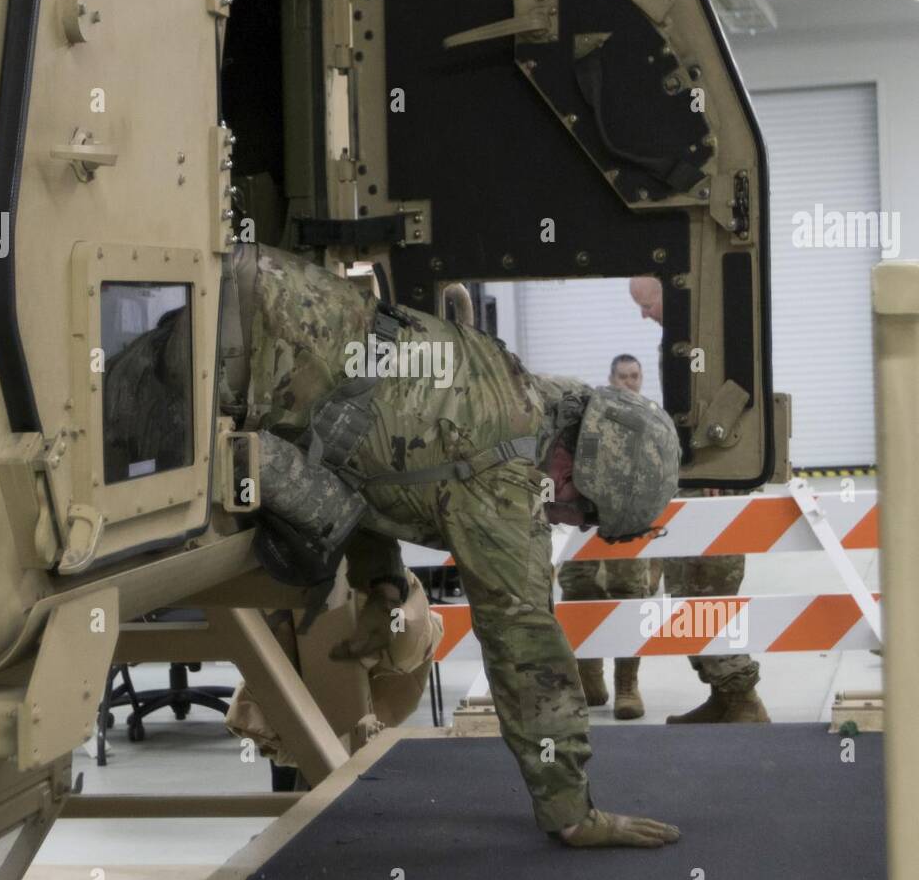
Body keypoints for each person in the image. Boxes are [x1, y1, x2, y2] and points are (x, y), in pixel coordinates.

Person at [219, 244, 684, 848]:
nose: (568, 519)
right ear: (575, 471)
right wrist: (571, 810)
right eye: (584, 511)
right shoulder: (509, 479)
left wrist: (384, 585)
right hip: (229, 357)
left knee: (325, 512)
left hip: (239, 289)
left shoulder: (515, 386)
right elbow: (525, 646)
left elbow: (376, 461)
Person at [628, 276, 769, 723]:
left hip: (711, 480)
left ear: (669, 291)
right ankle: (724, 697)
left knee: (705, 591)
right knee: (686, 591)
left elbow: (741, 388)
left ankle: (742, 700)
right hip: (692, 478)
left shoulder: (710, 330)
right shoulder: (680, 338)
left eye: (646, 303)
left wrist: (714, 462)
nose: (643, 314)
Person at [557, 354, 659, 720]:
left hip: (630, 521)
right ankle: (589, 679)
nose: (630, 382)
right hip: (586, 518)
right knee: (578, 589)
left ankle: (627, 686)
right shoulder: (592, 415)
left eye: (635, 376)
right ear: (611, 378)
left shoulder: (653, 420)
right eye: (623, 376)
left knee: (629, 594)